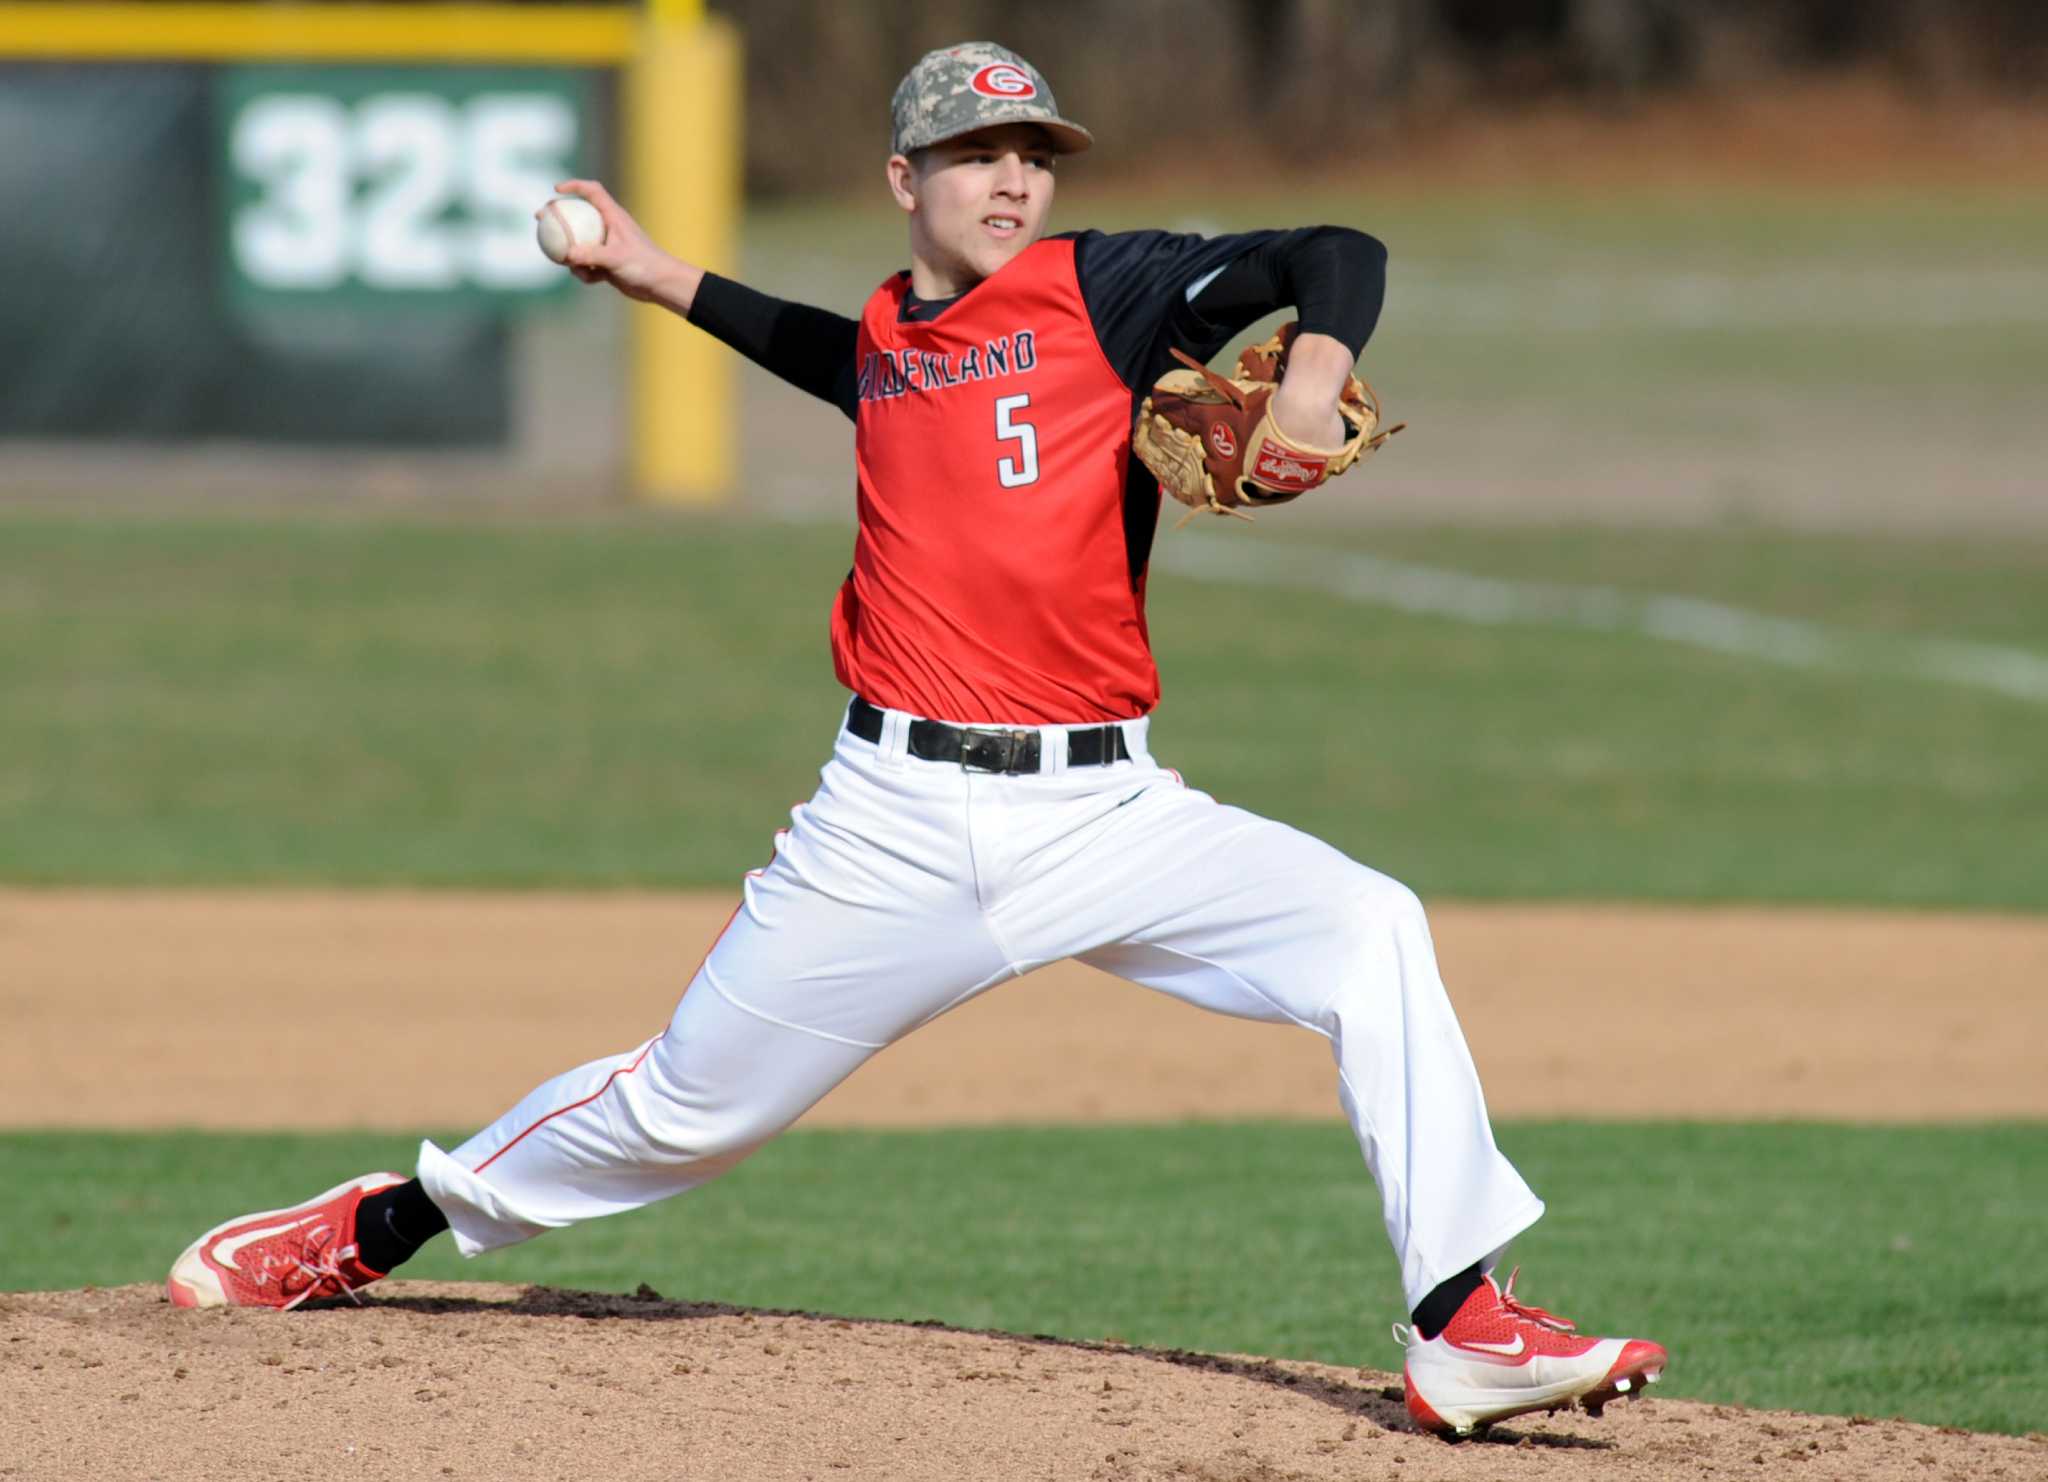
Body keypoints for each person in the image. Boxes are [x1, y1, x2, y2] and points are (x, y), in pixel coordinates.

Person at [166, 42, 1667, 1439]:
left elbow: (1335, 254)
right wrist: (658, 275)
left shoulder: (1109, 289)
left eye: (1034, 151)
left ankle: (1460, 1314)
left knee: (1369, 929)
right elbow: (842, 359)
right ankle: (374, 1225)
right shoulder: (894, 330)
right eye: (975, 152)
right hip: (888, 821)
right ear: (906, 181)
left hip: (1110, 813)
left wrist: (1320, 369)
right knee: (678, 1111)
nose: (1012, 178)